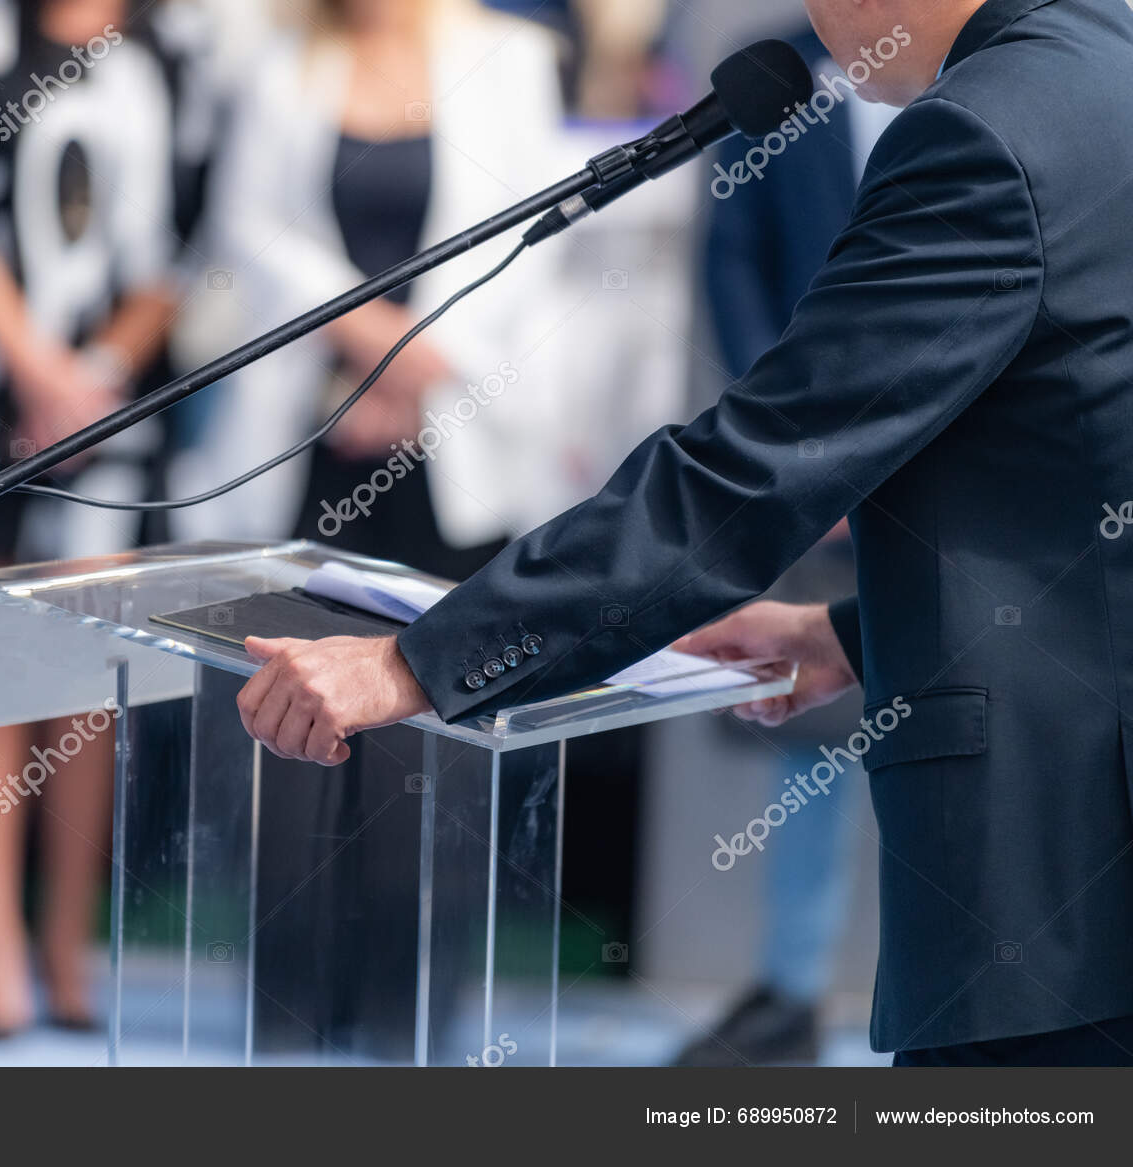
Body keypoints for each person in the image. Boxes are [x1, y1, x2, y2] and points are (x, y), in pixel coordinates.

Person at [233, 0, 1133, 1066]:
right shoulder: (1102, 68)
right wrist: (851, 631)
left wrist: (419, 662)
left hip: (1061, 865)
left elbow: (750, 472)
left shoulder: (980, 132)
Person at [0, 0, 179, 1037]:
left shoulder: (167, 54)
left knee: (86, 679)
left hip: (112, 414)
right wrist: (36, 369)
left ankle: (66, 939)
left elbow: (176, 254)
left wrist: (95, 373)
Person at [671, 24, 901, 1068]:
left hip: (963, 474)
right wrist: (805, 450)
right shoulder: (782, 75)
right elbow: (733, 261)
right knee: (811, 716)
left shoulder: (1008, 71)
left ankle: (951, 991)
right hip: (814, 470)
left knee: (965, 719)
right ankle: (791, 987)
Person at [174, 0, 564, 580]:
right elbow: (247, 225)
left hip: (455, 399)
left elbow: (538, 230)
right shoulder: (279, 62)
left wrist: (414, 357)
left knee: (452, 632)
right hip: (318, 406)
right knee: (300, 624)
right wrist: (366, 334)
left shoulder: (513, 57)